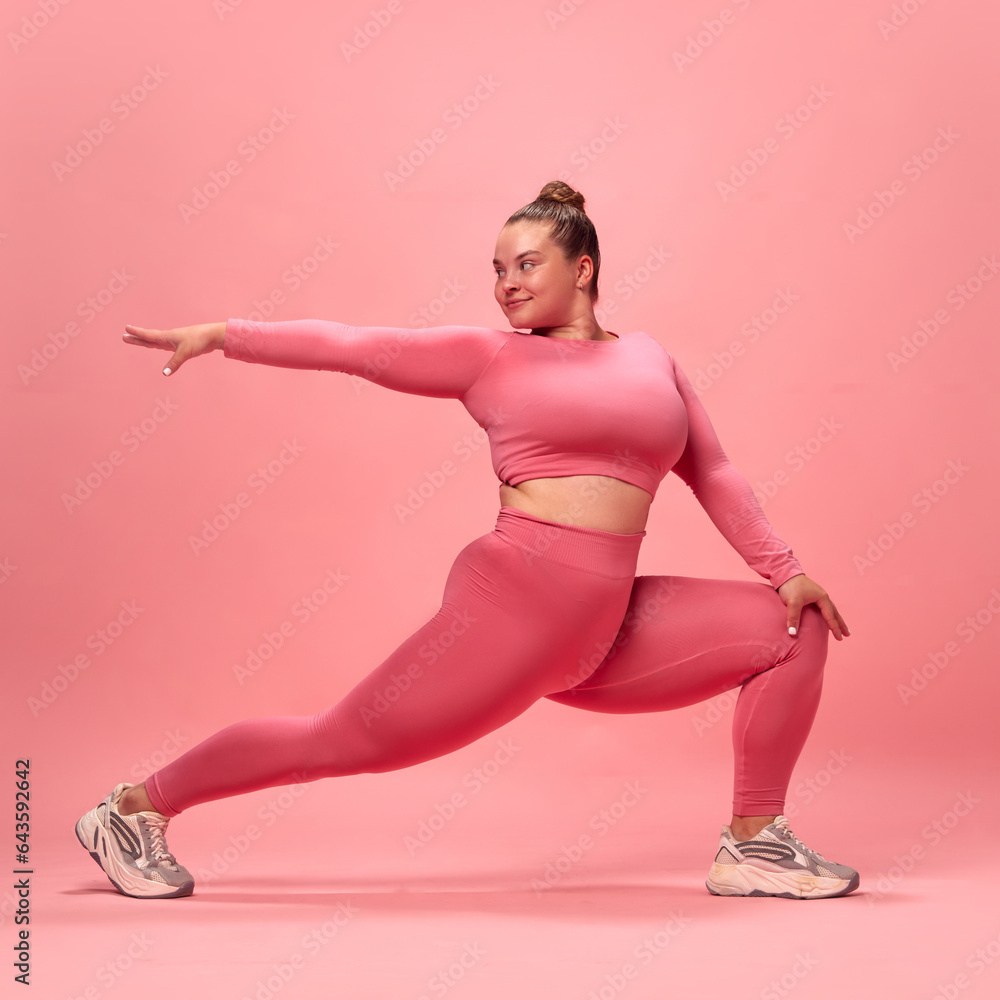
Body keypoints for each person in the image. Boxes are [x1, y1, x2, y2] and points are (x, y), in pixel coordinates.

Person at [76, 180, 856, 902]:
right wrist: (220, 334)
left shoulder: (651, 358)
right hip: (514, 607)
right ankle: (133, 808)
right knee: (342, 741)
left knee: (794, 627)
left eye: (526, 263)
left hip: (604, 624)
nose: (506, 282)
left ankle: (755, 844)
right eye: (497, 269)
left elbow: (713, 469)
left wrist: (784, 571)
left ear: (583, 269)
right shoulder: (488, 356)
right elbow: (350, 344)